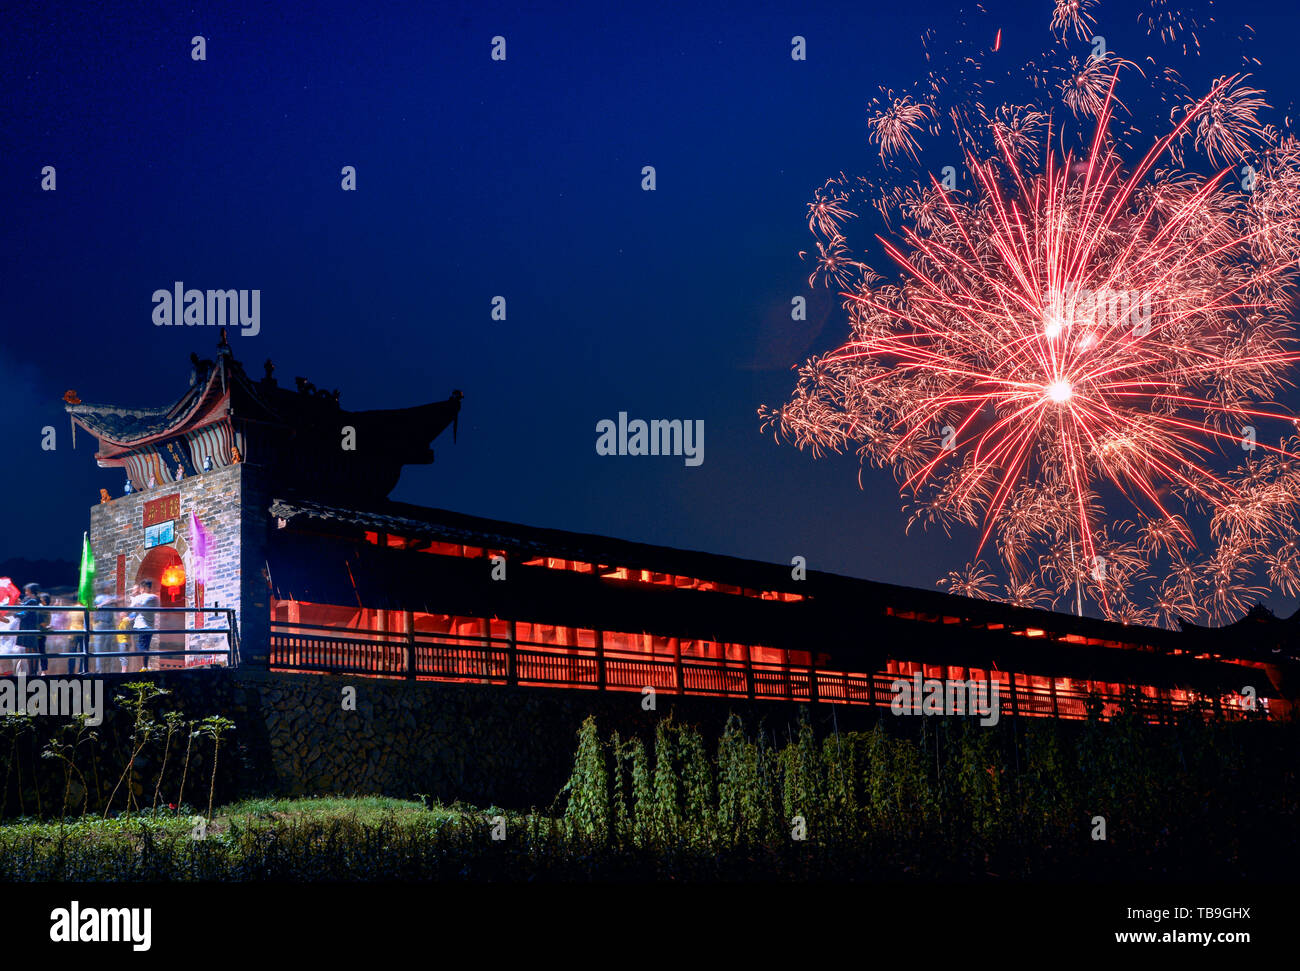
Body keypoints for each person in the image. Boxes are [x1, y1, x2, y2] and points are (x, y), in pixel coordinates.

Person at [16, 583, 47, 675]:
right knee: (31, 649)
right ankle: (32, 672)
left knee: (31, 649)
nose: (25, 592)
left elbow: (24, 612)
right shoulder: (34, 600)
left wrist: (15, 614)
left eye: (27, 590)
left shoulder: (32, 600)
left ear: (30, 591)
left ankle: (32, 672)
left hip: (28, 626)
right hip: (31, 626)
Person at [129, 581, 160, 673]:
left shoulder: (138, 598)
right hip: (150, 626)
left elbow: (130, 609)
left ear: (142, 588)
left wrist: (134, 601)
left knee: (141, 647)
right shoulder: (155, 597)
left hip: (139, 625)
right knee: (146, 646)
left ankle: (144, 668)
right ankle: (145, 666)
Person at [92, 594, 118, 675]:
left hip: (109, 625)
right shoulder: (97, 598)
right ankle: (99, 670)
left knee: (109, 648)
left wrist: (103, 604)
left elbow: (117, 600)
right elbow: (93, 608)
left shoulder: (111, 597)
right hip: (100, 624)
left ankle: (109, 670)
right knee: (99, 649)